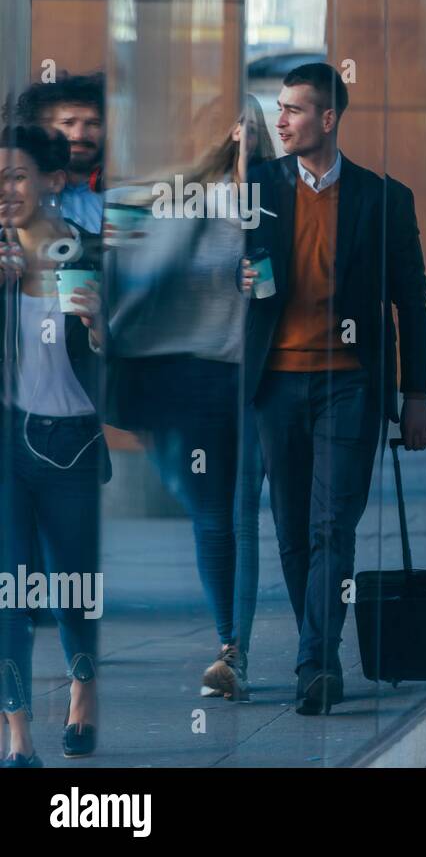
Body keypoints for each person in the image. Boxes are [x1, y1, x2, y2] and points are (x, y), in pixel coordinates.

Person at [239, 63, 426, 714]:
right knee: (293, 531)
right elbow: (225, 271)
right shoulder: (258, 187)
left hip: (349, 382)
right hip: (275, 382)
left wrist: (416, 394)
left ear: (329, 118)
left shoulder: (383, 200)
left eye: (295, 109)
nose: (282, 119)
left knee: (331, 526)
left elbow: (413, 299)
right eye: (279, 108)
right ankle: (316, 647)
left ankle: (316, 664)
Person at [104, 95, 274, 700]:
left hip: (254, 379)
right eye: (242, 125)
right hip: (195, 380)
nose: (250, 135)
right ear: (227, 136)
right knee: (212, 517)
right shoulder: (188, 200)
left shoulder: (270, 208)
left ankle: (238, 651)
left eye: (260, 127)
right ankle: (229, 643)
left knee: (242, 514)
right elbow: (120, 228)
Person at [0, 126, 110, 766]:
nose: (5, 191)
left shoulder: (89, 254)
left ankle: (84, 691)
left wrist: (100, 326)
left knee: (70, 588)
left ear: (52, 181)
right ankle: (17, 739)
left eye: (16, 176)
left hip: (69, 441)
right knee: (10, 592)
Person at [17, 74, 106, 237]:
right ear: (41, 129)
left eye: (93, 124)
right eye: (68, 123)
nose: (79, 135)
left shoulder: (121, 194)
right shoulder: (19, 194)